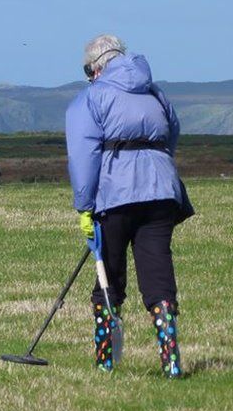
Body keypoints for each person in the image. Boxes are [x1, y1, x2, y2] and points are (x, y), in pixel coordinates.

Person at [66, 34, 187, 378]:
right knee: (158, 275)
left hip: (114, 196)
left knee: (110, 279)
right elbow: (172, 132)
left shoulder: (91, 97)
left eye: (88, 69)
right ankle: (172, 363)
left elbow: (83, 155)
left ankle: (106, 361)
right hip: (161, 192)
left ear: (97, 66)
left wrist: (84, 206)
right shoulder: (154, 91)